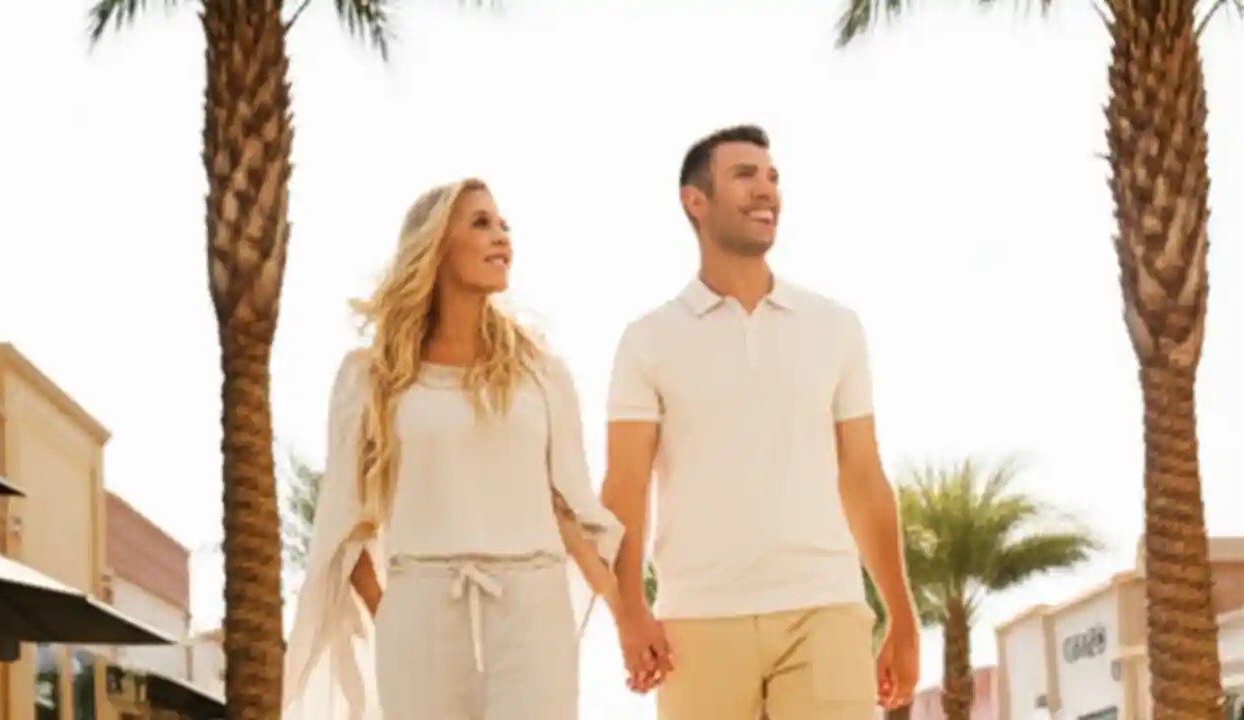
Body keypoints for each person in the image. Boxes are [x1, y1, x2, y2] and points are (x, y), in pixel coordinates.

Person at [600, 125, 920, 719]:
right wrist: (629, 613)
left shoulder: (835, 326)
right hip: (697, 619)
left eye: (772, 178)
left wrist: (903, 614)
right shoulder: (648, 341)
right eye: (744, 176)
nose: (766, 190)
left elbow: (863, 476)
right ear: (695, 201)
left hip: (824, 607)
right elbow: (623, 489)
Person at [281, 178, 625, 720]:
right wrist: (388, 611)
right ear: (437, 244)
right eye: (481, 222)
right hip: (421, 609)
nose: (502, 237)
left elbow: (569, 509)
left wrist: (627, 615)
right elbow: (344, 517)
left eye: (504, 225)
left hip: (531, 608)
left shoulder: (540, 374)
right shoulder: (372, 377)